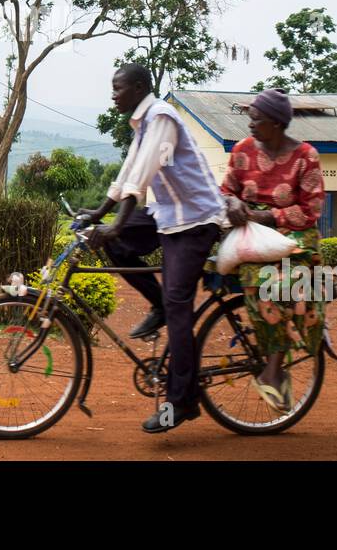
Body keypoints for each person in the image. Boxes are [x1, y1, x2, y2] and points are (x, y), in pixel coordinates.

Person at [76, 63, 228, 433]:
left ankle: (182, 402)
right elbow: (127, 173)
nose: (113, 94)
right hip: (167, 215)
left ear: (140, 87)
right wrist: (99, 214)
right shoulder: (141, 124)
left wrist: (114, 224)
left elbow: (141, 175)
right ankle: (157, 304)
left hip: (196, 220)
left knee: (179, 304)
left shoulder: (161, 117)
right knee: (116, 245)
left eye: (118, 88)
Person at [219, 87, 327, 413]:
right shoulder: (242, 150)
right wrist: (233, 202)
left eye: (256, 119)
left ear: (277, 124)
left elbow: (311, 210)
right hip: (252, 236)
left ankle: (273, 368)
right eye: (250, 118)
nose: (250, 125)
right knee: (256, 281)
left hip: (294, 236)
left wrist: (269, 215)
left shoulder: (306, 156)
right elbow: (224, 190)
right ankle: (273, 364)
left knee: (281, 284)